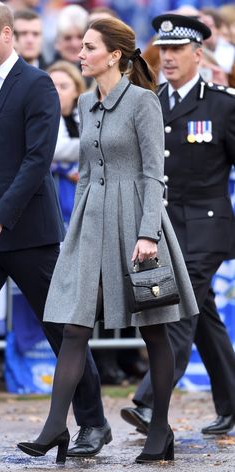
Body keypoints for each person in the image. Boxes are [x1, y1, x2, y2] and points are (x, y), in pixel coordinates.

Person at [17, 17, 198, 465]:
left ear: (114, 54)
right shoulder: (83, 103)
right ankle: (57, 425)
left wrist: (147, 233)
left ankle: (160, 430)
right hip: (91, 224)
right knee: (74, 326)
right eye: (80, 45)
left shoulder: (143, 104)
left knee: (154, 331)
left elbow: (154, 173)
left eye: (89, 46)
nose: (80, 53)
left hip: (138, 225)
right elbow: (85, 176)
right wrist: (74, 227)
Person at [0, 2, 111, 458]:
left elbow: (37, 158)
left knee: (61, 330)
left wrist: (3, 214)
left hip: (29, 231)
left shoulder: (36, 83)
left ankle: (92, 423)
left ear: (7, 34)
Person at [120, 13, 235, 437]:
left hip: (207, 227)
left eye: (177, 49)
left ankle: (150, 401)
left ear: (198, 53)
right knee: (204, 317)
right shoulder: (147, 99)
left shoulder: (224, 104)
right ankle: (232, 403)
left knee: (180, 309)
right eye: (163, 49)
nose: (167, 57)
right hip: (165, 226)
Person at [48, 60, 85, 225]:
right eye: (52, 86)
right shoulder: (40, 118)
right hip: (56, 198)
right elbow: (54, 149)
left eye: (63, 87)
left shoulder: (86, 116)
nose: (56, 91)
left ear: (77, 90)